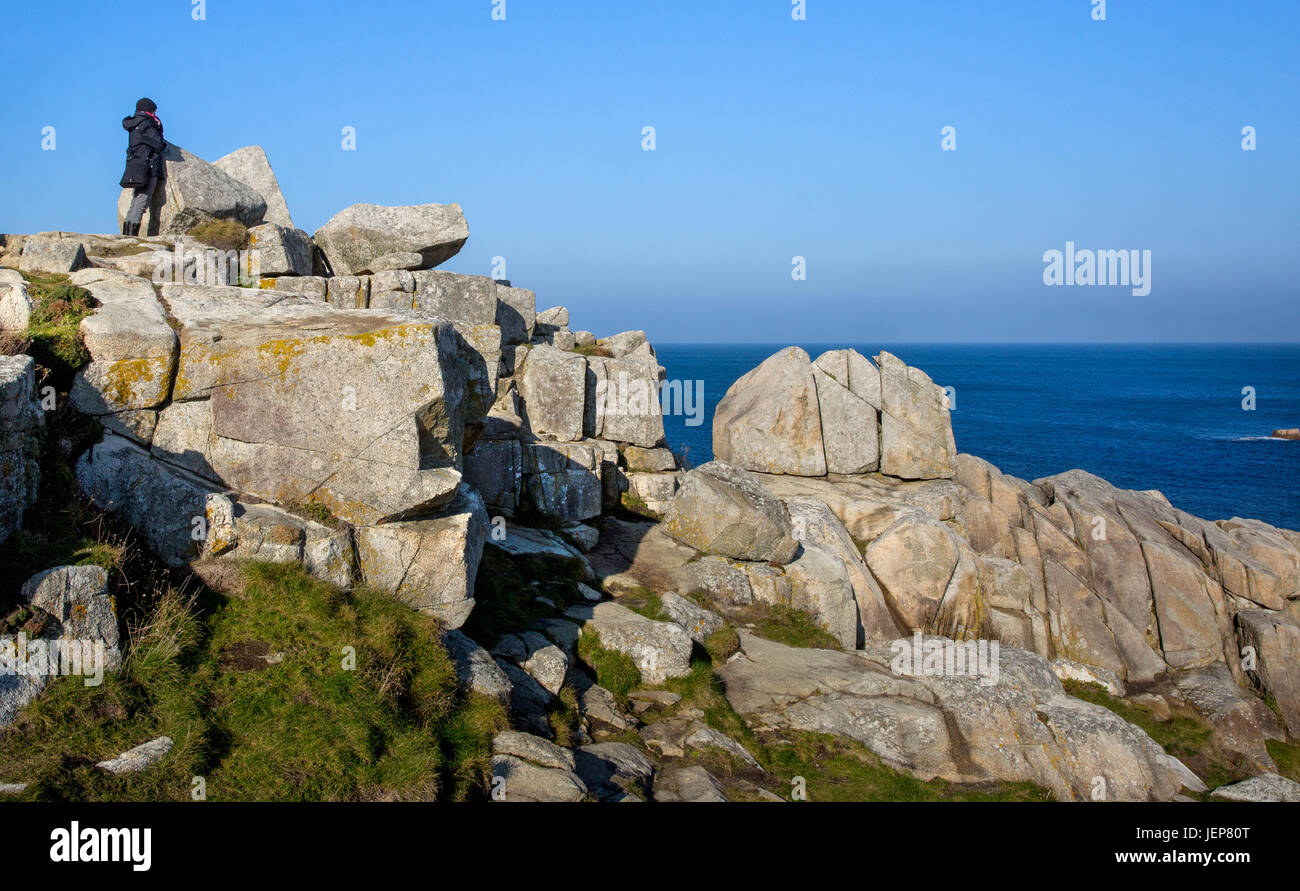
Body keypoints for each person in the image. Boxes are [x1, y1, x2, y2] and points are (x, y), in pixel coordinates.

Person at [120, 98, 166, 236]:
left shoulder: (135, 124)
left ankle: (127, 235)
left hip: (136, 165)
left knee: (136, 200)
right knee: (142, 201)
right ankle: (131, 236)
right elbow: (159, 144)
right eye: (154, 112)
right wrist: (159, 127)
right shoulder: (146, 123)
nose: (155, 115)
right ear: (149, 110)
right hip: (148, 167)